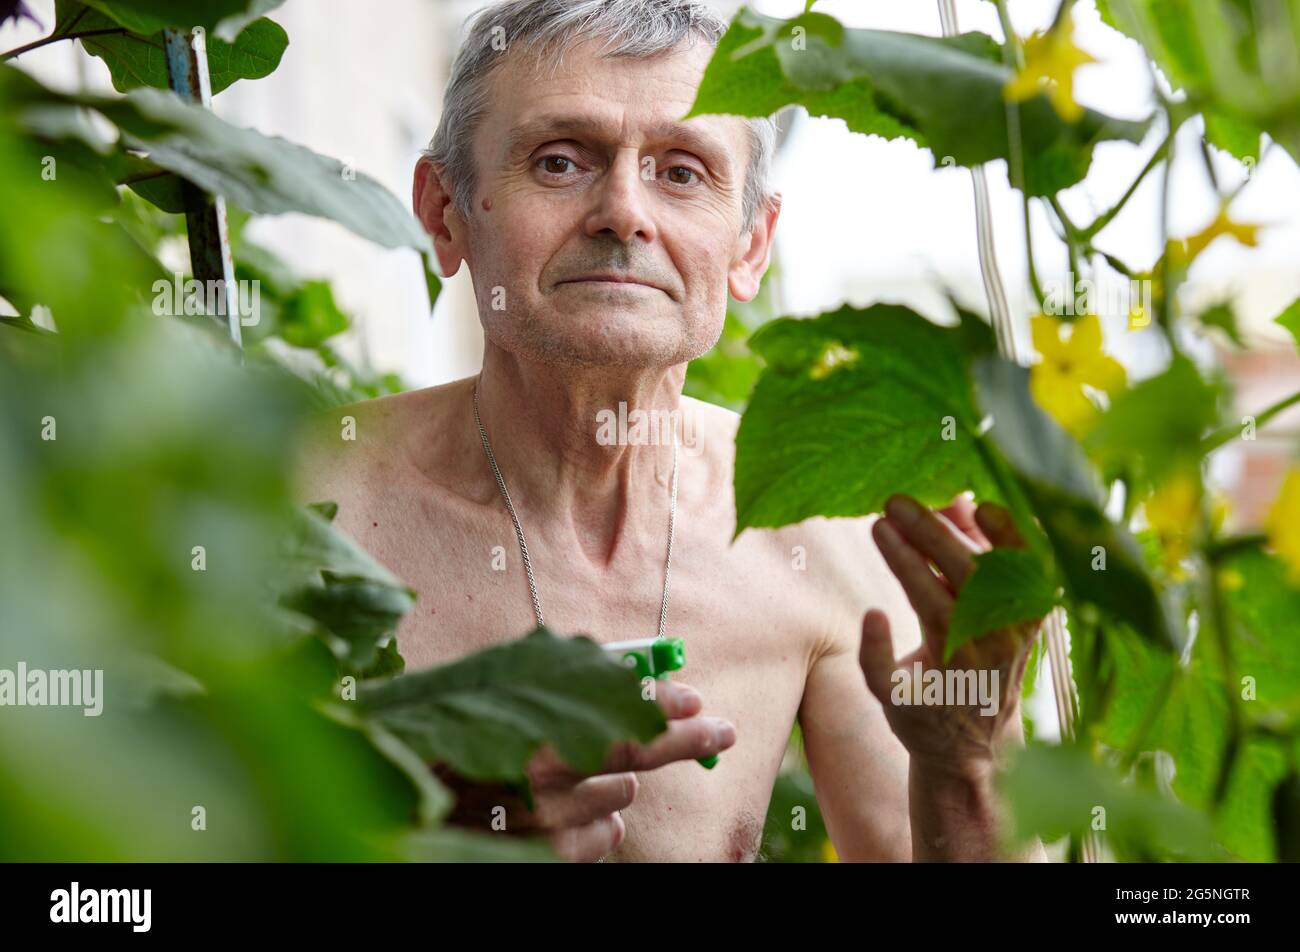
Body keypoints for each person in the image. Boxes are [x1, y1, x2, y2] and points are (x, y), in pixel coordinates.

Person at [298, 0, 1045, 862]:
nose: (624, 212)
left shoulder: (830, 536)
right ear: (444, 211)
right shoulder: (301, 505)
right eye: (560, 160)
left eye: (682, 171)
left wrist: (965, 768)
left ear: (750, 246)